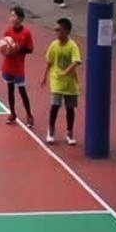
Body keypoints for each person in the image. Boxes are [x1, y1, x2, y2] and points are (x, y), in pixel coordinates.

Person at [40, 17, 82, 145]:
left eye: (59, 29)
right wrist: (44, 77)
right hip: (56, 80)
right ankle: (51, 130)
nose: (56, 31)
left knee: (70, 109)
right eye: (56, 29)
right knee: (55, 106)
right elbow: (49, 62)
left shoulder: (72, 46)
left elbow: (76, 61)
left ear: (66, 31)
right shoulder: (54, 45)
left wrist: (65, 72)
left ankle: (69, 133)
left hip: (70, 83)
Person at [1, 5, 35, 128]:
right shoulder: (7, 32)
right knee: (10, 90)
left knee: (22, 91)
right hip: (8, 65)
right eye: (11, 15)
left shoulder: (26, 33)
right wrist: (7, 49)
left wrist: (18, 49)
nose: (11, 18)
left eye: (14, 15)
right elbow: (3, 48)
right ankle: (13, 113)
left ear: (20, 18)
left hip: (19, 67)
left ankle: (29, 115)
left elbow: (30, 49)